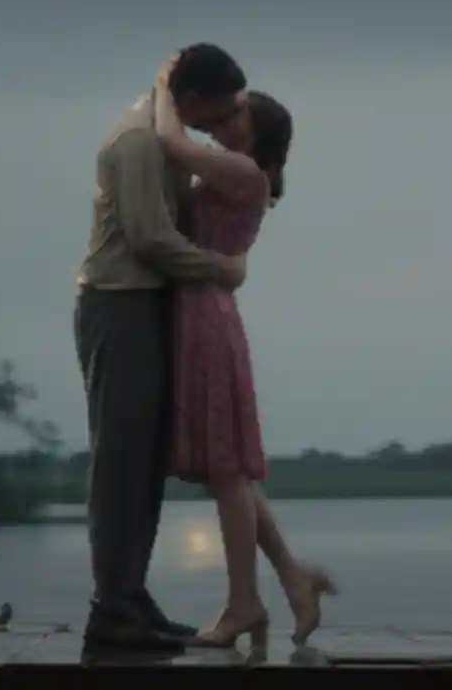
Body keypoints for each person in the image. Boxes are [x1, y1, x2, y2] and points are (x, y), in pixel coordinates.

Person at [152, 55, 337, 653]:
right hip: (202, 313)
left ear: (256, 137)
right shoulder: (233, 172)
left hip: (206, 319)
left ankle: (243, 602)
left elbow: (169, 141)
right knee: (226, 471)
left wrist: (164, 87)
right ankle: (290, 576)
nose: (225, 121)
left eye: (237, 116)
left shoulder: (242, 172)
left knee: (226, 473)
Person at [74, 43, 251, 654]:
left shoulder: (162, 132)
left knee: (146, 461)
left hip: (145, 304)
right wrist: (220, 269)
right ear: (193, 100)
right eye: (218, 112)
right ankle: (111, 607)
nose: (220, 125)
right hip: (119, 303)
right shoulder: (139, 141)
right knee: (121, 459)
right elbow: (150, 237)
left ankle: (129, 595)